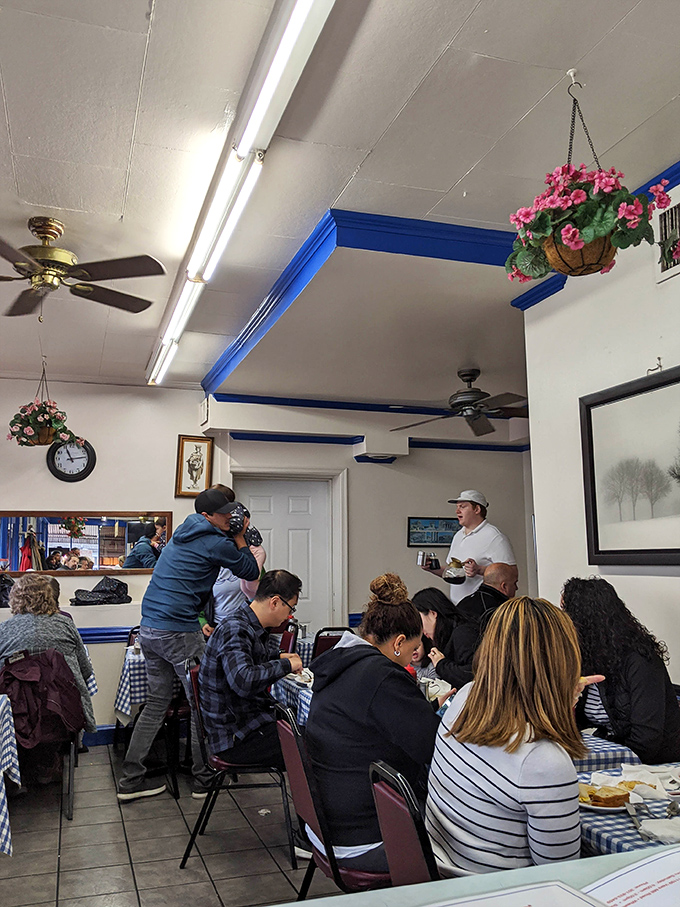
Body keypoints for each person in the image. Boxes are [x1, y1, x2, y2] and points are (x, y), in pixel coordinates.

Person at [427, 596, 601, 875]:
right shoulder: (543, 761)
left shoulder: (466, 697)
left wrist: (561, 699)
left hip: (445, 874)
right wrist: (561, 702)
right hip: (502, 892)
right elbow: (559, 875)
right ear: (564, 662)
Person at [116, 487, 260, 802]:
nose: (230, 518)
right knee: (203, 703)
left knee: (156, 703)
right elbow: (251, 570)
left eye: (232, 512)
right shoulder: (214, 542)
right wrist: (240, 538)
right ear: (207, 515)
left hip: (150, 628)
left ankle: (130, 780)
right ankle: (204, 779)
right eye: (224, 514)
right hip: (178, 632)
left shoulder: (182, 533)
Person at [305, 573, 440, 873]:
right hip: (363, 837)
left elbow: (373, 720)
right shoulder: (382, 677)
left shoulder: (341, 662)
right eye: (412, 650)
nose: (411, 659)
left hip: (325, 826)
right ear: (399, 642)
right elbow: (433, 747)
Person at [562, 577, 680, 764]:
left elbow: (646, 742)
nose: (562, 622)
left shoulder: (640, 661)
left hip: (654, 762)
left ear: (583, 620)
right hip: (610, 747)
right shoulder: (586, 657)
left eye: (566, 612)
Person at [199, 570, 304, 769]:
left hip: (243, 724)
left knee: (309, 729)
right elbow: (244, 681)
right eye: (291, 607)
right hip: (235, 738)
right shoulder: (236, 628)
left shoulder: (245, 623)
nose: (289, 615)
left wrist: (276, 657)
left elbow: (246, 661)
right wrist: (286, 665)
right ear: (274, 602)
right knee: (313, 743)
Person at [0, 575, 96, 735]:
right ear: (48, 596)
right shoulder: (65, 624)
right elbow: (85, 671)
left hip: (17, 718)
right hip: (63, 715)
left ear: (15, 598)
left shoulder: (4, 630)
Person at [424, 563, 519, 689]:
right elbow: (476, 674)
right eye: (515, 583)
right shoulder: (504, 612)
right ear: (504, 586)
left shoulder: (464, 603)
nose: (517, 588)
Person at [423, 490, 515, 604]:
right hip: (458, 608)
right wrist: (432, 568)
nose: (457, 511)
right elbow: (452, 573)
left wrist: (479, 570)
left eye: (462, 507)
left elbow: (511, 574)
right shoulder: (458, 535)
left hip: (484, 608)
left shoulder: (495, 537)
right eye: (457, 507)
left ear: (477, 509)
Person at [200, 484, 266, 635]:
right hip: (215, 627)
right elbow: (199, 595)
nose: (227, 516)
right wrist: (203, 622)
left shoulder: (251, 551)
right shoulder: (208, 552)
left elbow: (260, 592)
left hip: (244, 626)